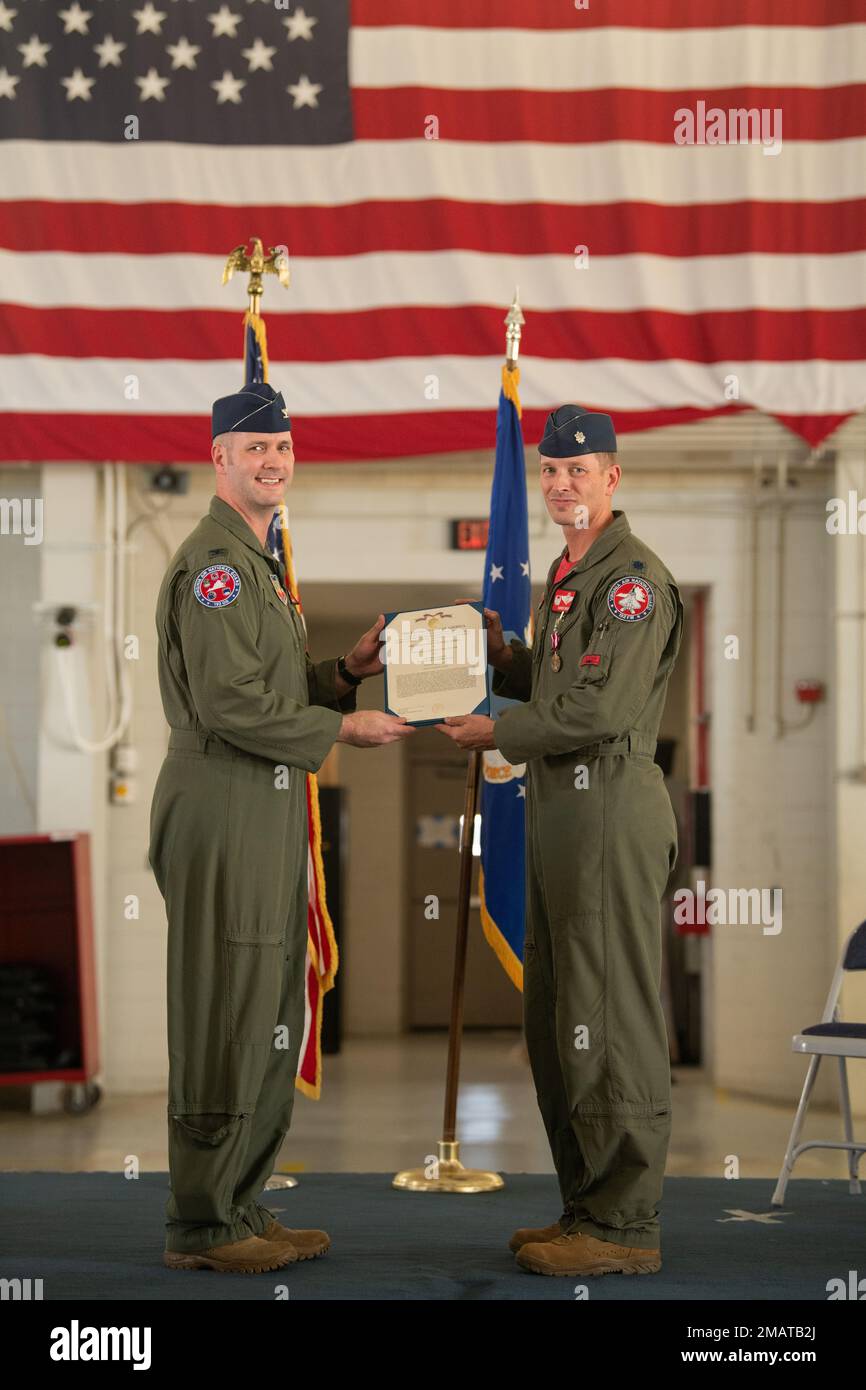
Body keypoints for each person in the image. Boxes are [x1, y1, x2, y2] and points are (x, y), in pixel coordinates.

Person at [149, 381, 413, 1274]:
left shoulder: (259, 562)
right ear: (218, 458)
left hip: (258, 800)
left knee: (265, 1006)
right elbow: (230, 704)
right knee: (225, 1007)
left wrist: (346, 671)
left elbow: (271, 686)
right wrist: (343, 726)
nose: (273, 461)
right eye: (254, 448)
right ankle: (203, 1224)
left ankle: (242, 1204)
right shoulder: (217, 566)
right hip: (223, 801)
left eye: (283, 448)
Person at [437, 404, 683, 1277]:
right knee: (560, 1016)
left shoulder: (630, 581)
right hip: (561, 811)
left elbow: (603, 708)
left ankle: (625, 1227)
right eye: (550, 470)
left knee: (607, 1014)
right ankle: (586, 1205)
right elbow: (559, 679)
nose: (562, 483)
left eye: (579, 470)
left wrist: (498, 732)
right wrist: (507, 658)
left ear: (612, 478)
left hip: (609, 808)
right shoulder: (568, 574)